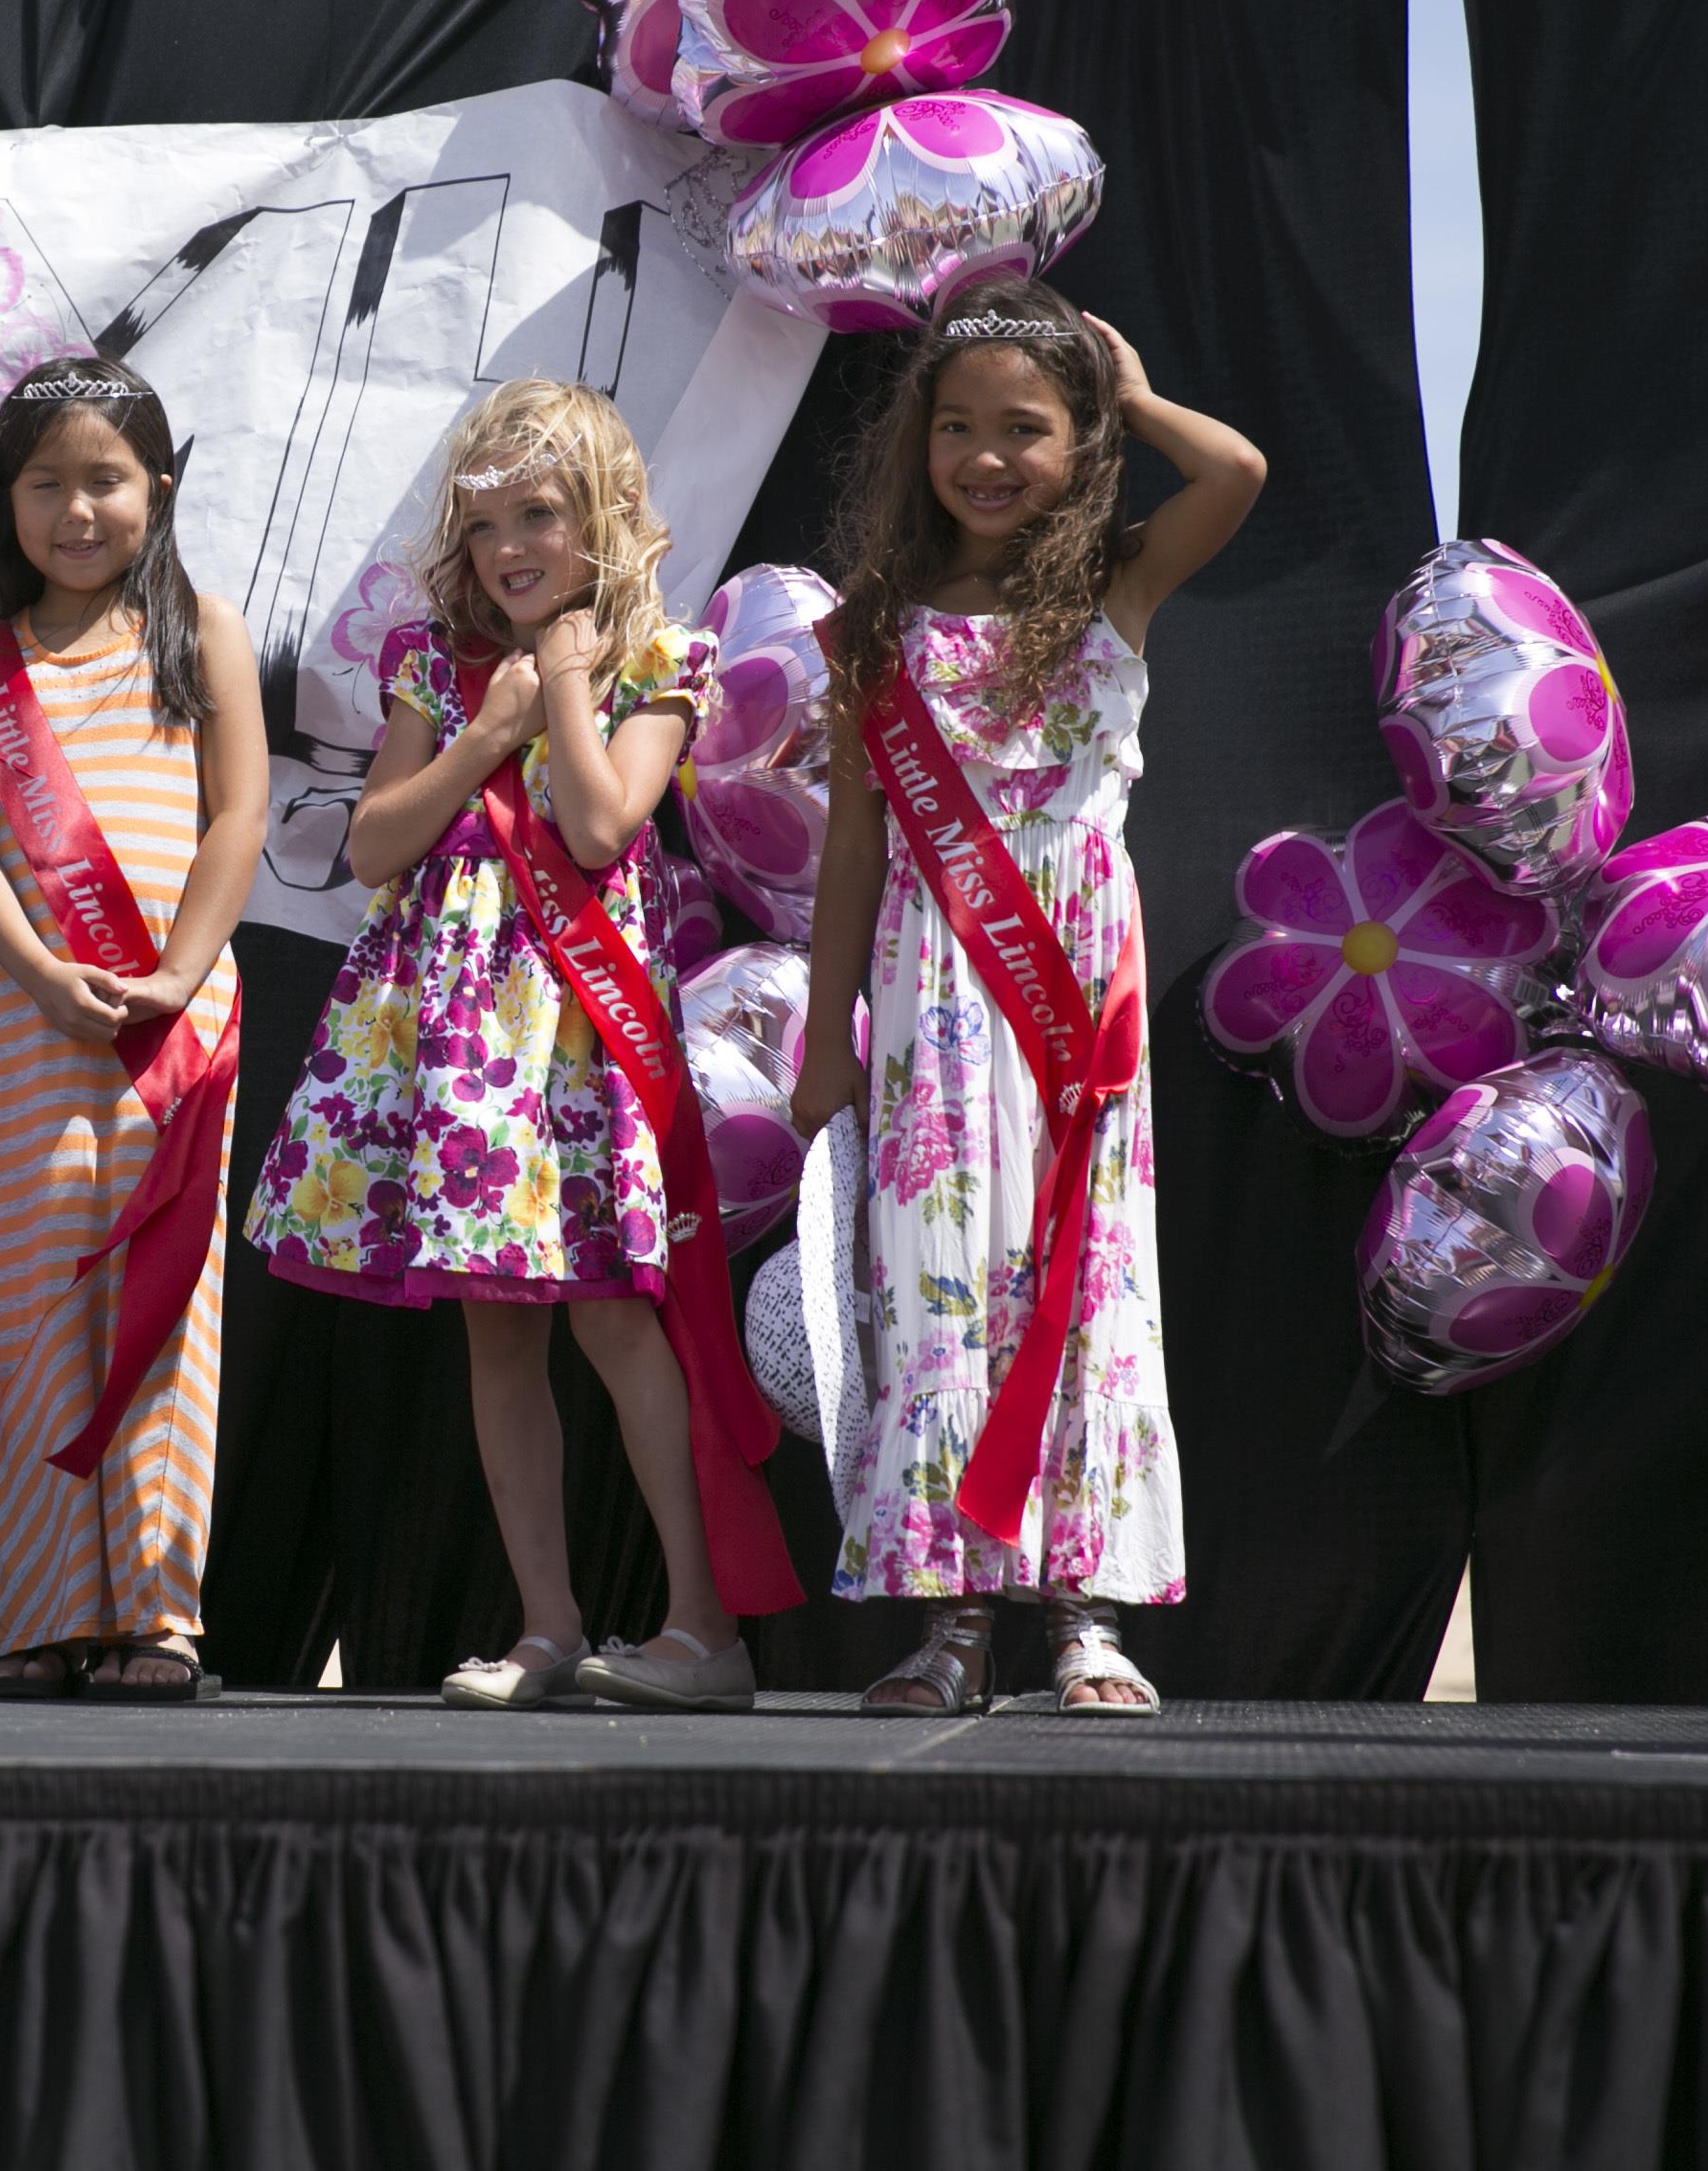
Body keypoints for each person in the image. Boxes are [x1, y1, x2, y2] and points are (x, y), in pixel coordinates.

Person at [247, 378, 786, 1713]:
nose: (508, 549)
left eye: (536, 514)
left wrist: (559, 692)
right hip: (448, 1032)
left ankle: (701, 1628)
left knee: (612, 1319)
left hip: (571, 1033)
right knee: (496, 1337)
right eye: (484, 525)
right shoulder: (435, 664)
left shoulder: (656, 661)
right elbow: (373, 846)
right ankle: (547, 1625)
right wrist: (485, 727)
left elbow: (604, 831)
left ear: (596, 515)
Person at [787, 278, 1267, 1718]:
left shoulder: (1116, 584)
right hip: (932, 997)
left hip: (1069, 989)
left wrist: (1131, 391)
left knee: (1081, 1276)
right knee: (941, 1291)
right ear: (915, 443)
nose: (987, 457)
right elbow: (859, 845)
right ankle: (950, 1626)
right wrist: (826, 1041)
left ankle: (1083, 1621)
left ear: (1085, 440)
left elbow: (1236, 472)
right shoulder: (875, 623)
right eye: (956, 426)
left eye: (1027, 428)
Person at [0, 357, 261, 1703]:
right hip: (27, 1025)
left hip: (173, 1030)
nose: (77, 510)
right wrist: (40, 967)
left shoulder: (201, 628)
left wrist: (178, 974)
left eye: (106, 481)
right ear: (3, 499)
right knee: (27, 1310)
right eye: (45, 483)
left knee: (166, 1310)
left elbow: (237, 817)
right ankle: (35, 1607)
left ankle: (155, 1612)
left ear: (159, 488)